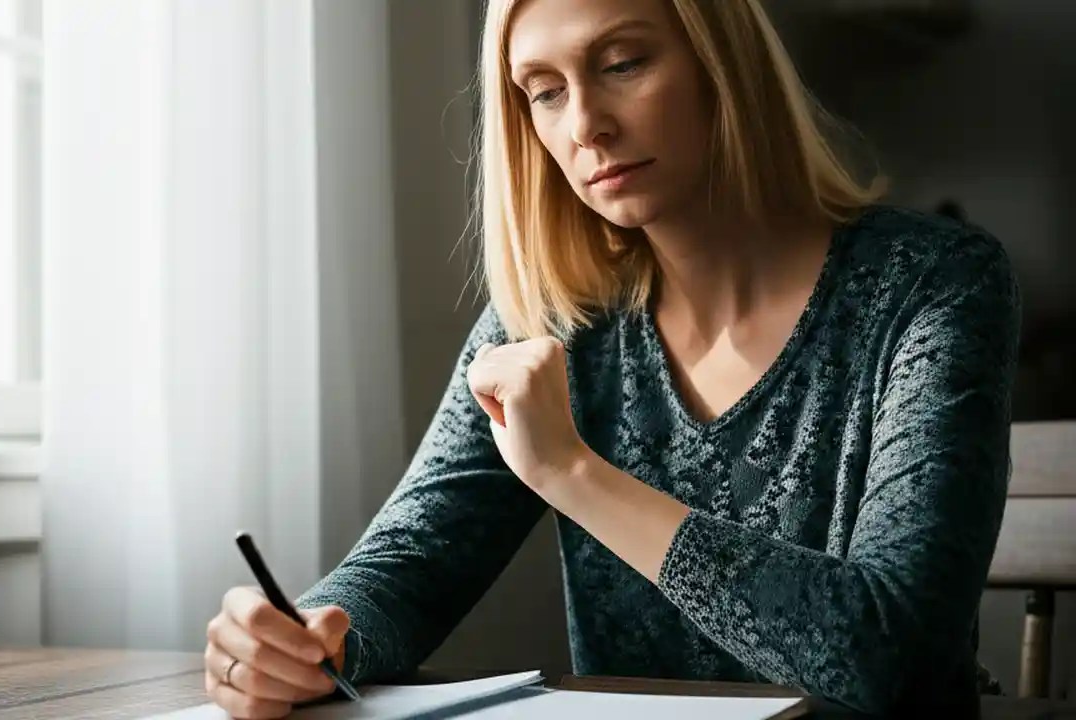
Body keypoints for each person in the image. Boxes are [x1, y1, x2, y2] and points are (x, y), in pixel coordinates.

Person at [203, 0, 1020, 716]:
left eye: (623, 63)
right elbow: (407, 568)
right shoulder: (552, 320)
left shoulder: (933, 283)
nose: (585, 125)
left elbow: (894, 655)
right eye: (545, 91)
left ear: (723, 63)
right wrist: (299, 643)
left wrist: (572, 472)